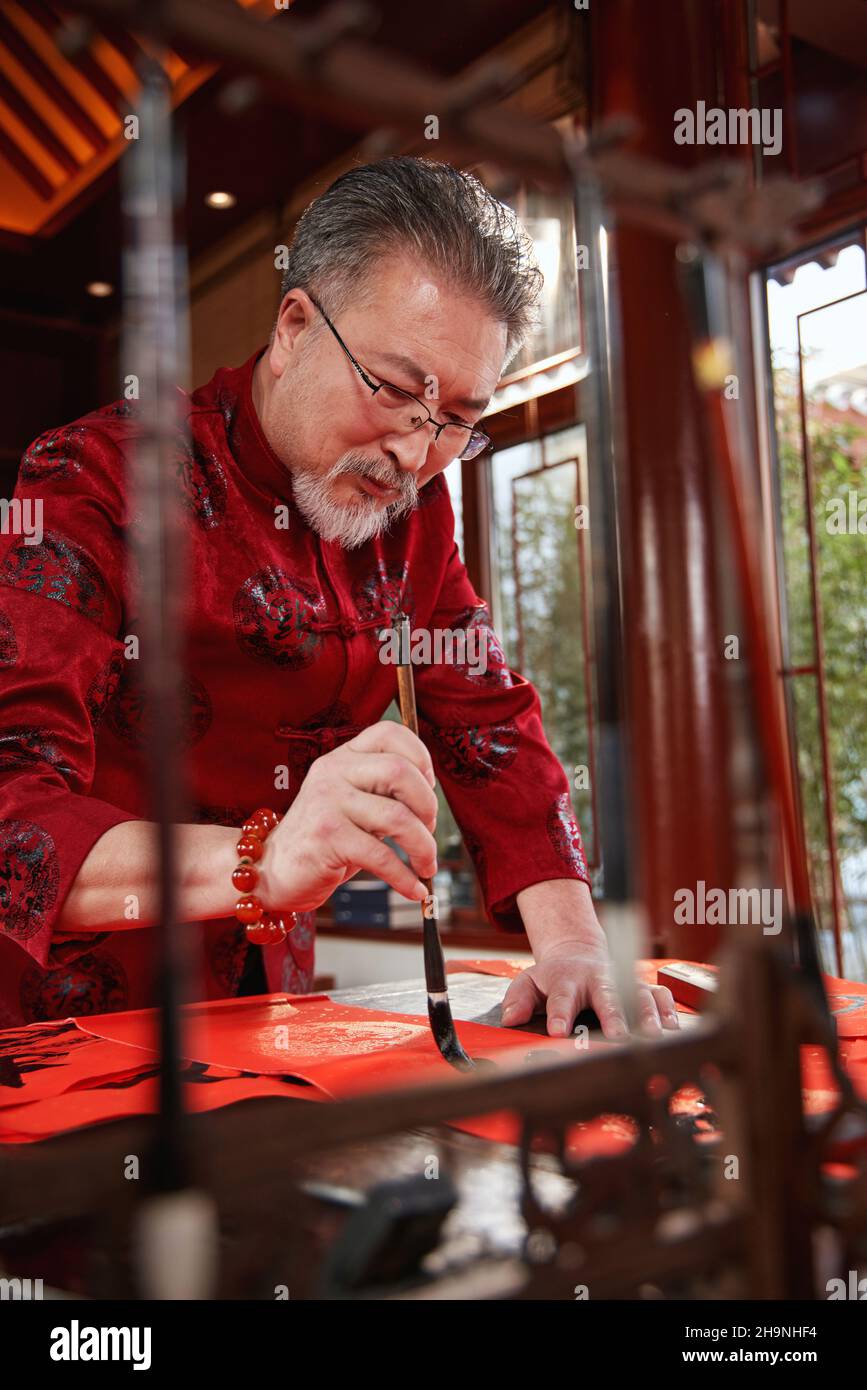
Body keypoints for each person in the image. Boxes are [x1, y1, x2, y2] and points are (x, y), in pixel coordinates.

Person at [0, 156, 677, 1037]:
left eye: (458, 421)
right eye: (395, 391)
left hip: (265, 1007)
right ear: (293, 327)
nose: (412, 452)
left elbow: (488, 727)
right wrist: (265, 859)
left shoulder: (414, 513)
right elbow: (11, 804)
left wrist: (575, 944)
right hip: (55, 1019)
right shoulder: (97, 479)